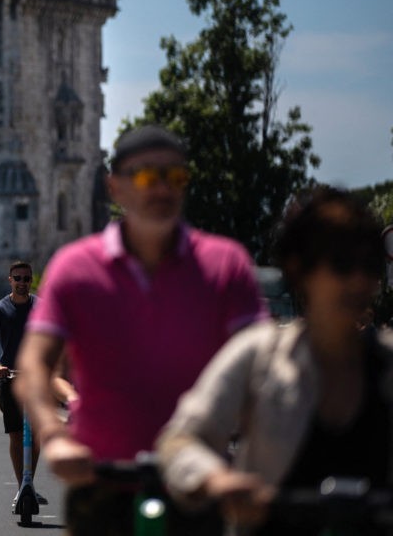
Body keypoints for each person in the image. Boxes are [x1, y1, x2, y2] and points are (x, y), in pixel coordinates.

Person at [14, 124, 266, 536]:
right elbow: (34, 364)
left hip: (199, 483)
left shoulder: (227, 266)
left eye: (175, 177)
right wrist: (52, 434)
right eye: (148, 175)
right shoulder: (74, 268)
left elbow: (260, 367)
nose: (162, 189)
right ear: (115, 187)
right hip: (100, 483)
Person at [156, 186, 390, 535]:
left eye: (369, 265)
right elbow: (181, 440)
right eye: (341, 264)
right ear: (300, 269)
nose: (358, 280)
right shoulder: (258, 355)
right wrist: (217, 480)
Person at [0, 260, 45, 507]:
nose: (22, 283)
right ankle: (22, 486)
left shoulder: (42, 307)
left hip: (36, 378)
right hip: (10, 377)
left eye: (26, 279)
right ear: (10, 280)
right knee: (17, 435)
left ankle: (29, 482)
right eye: (17, 278)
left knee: (35, 436)